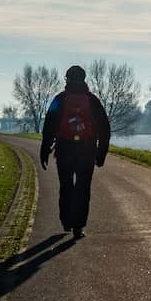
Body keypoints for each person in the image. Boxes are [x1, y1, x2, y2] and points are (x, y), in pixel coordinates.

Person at [40, 65, 111, 239]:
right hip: (87, 150)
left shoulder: (60, 99)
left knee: (66, 187)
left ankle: (67, 222)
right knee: (83, 188)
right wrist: (101, 153)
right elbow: (104, 129)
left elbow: (49, 127)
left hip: (64, 149)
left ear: (67, 79)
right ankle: (78, 227)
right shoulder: (92, 100)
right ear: (84, 79)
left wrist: (45, 150)